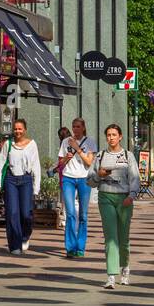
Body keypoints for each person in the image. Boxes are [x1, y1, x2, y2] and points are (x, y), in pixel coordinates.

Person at [91, 123, 139, 288]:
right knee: (110, 236)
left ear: (120, 137)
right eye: (108, 135)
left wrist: (131, 195)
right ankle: (111, 275)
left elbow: (135, 177)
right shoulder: (100, 156)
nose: (111, 138)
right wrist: (99, 175)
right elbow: (89, 180)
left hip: (124, 199)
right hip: (105, 197)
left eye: (114, 135)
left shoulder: (128, 155)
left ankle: (125, 268)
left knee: (123, 238)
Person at [0, 118, 42, 254]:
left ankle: (25, 236)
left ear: (25, 130)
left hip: (26, 180)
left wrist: (36, 187)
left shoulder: (32, 145)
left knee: (26, 214)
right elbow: (0, 165)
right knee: (12, 213)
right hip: (11, 180)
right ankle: (15, 245)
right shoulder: (8, 144)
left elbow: (36, 166)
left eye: (20, 129)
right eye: (15, 129)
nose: (17, 131)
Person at [57, 119, 96, 258]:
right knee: (70, 213)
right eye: (74, 127)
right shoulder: (65, 141)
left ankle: (80, 247)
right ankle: (70, 247)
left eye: (78, 127)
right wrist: (66, 159)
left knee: (83, 215)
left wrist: (78, 149)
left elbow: (89, 162)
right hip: (68, 178)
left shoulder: (90, 141)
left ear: (84, 128)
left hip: (84, 179)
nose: (75, 129)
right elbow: (60, 163)